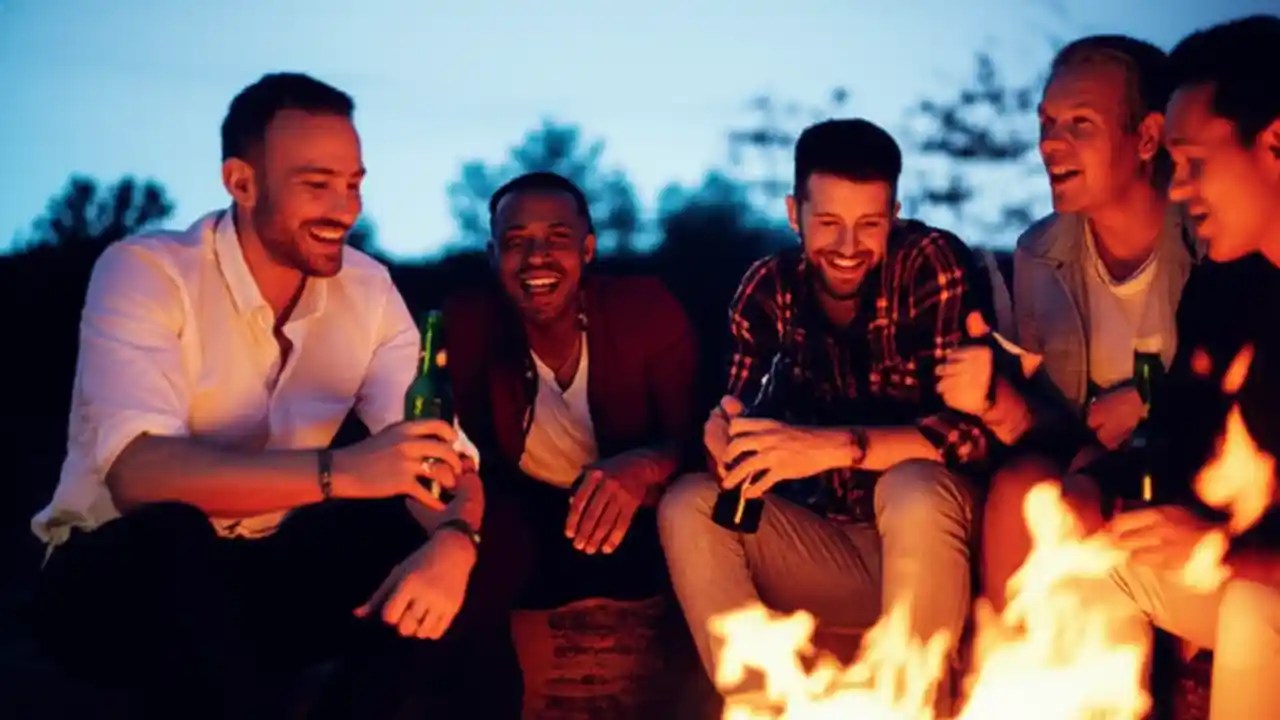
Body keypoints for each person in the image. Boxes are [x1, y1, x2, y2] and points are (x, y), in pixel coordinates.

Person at [30, 72, 517, 719]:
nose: (345, 208)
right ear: (241, 182)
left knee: (451, 546)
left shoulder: (366, 289)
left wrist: (455, 539)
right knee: (175, 538)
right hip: (112, 574)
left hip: (269, 569)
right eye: (317, 185)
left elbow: (441, 459)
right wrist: (341, 471)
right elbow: (139, 475)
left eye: (354, 184)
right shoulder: (146, 271)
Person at [657, 118, 991, 705]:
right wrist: (724, 440)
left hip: (936, 539)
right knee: (689, 505)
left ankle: (913, 707)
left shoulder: (929, 263)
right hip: (829, 548)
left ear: (894, 214)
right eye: (828, 223)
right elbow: (739, 425)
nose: (847, 247)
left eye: (869, 225)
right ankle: (762, 707)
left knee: (911, 485)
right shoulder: (765, 288)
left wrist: (831, 446)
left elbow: (966, 437)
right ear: (794, 213)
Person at [1022, 16, 1280, 720]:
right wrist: (1086, 486)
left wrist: (1228, 552)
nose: (1178, 186)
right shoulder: (1230, 290)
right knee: (1090, 556)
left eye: (1193, 159)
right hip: (1232, 566)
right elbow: (1171, 430)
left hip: (1261, 584)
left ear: (1275, 143)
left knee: (1259, 604)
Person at [935, 35, 1199, 609]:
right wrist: (1000, 403)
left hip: (1195, 457)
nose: (1051, 144)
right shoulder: (1039, 254)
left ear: (1148, 137)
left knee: (1088, 499)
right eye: (1046, 122)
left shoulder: (1207, 235)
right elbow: (1059, 420)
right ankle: (1006, 676)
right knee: (1018, 489)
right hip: (1095, 465)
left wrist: (1149, 400)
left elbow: (1236, 376)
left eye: (1080, 124)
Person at [444, 171, 697, 610]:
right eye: (516, 240)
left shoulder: (642, 311)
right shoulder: (468, 325)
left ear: (587, 250)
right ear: (493, 254)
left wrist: (644, 467)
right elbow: (462, 450)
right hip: (526, 522)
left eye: (557, 238)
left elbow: (697, 434)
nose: (536, 258)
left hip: (641, 518)